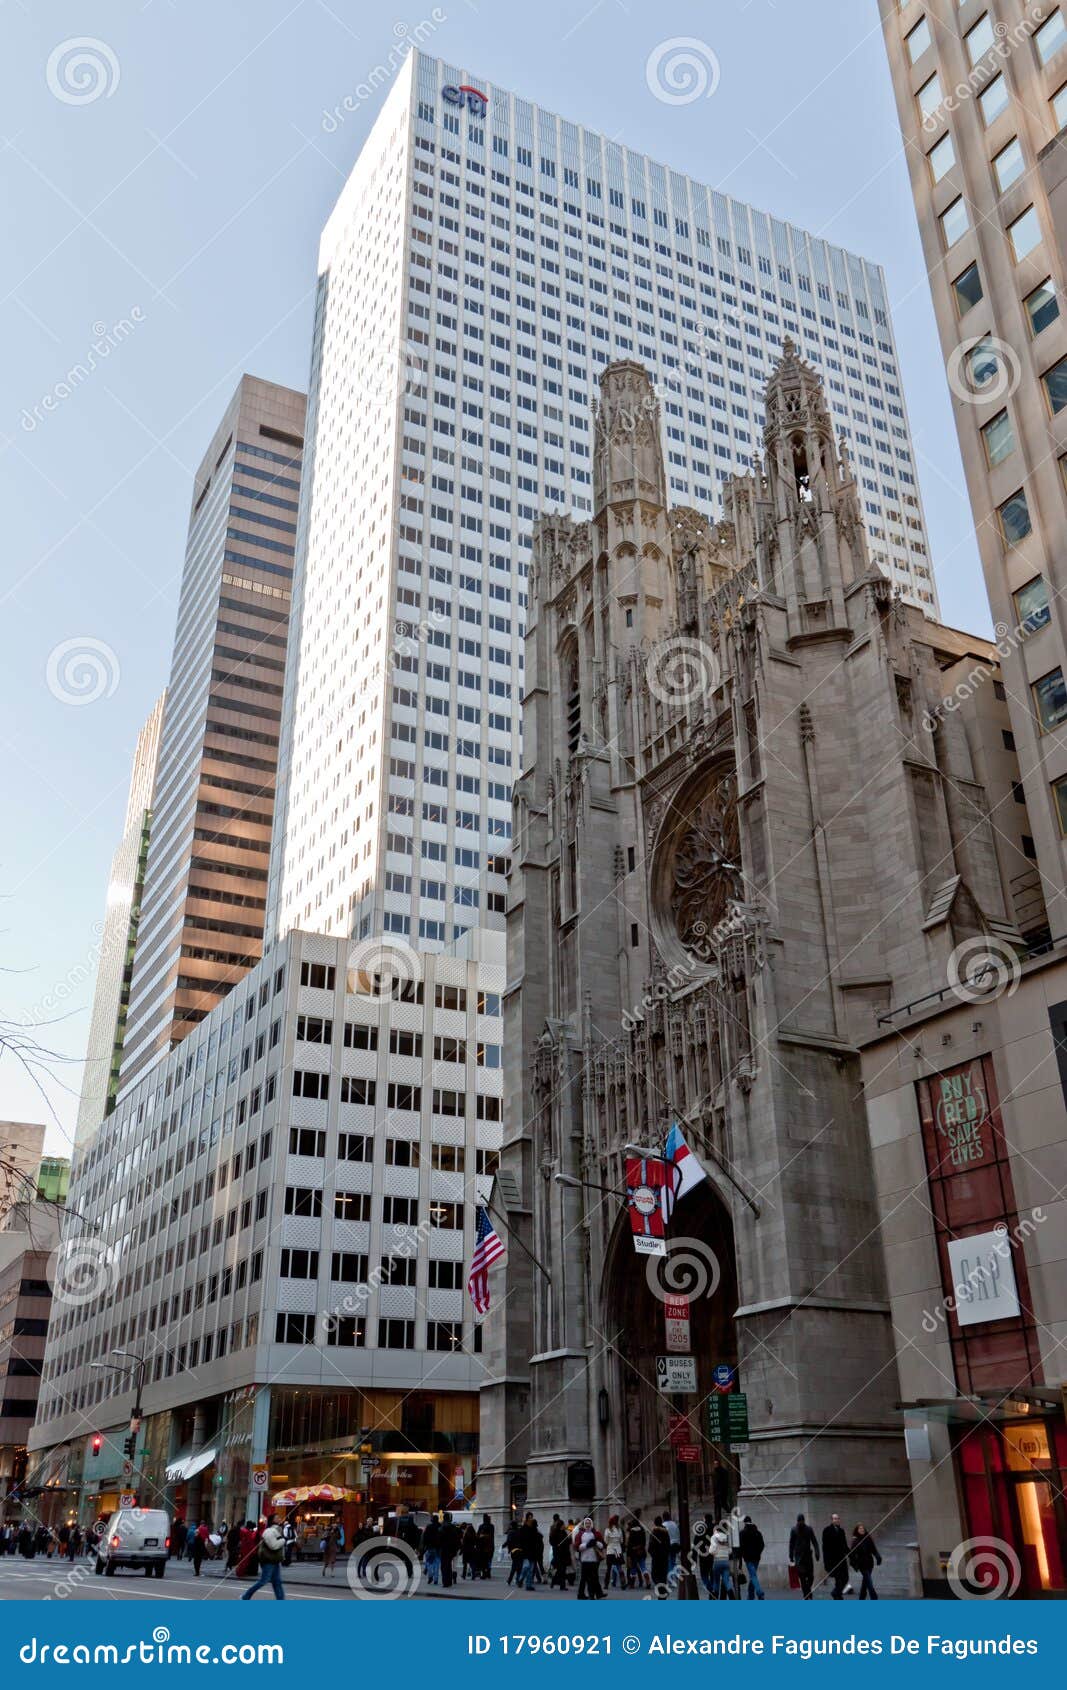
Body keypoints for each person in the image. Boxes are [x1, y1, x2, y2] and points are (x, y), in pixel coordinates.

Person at [241, 1515, 286, 1600]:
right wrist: (283, 1540)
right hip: (268, 1560)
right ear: (272, 1520)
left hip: (275, 1560)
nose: (280, 1519)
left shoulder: (277, 1530)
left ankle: (281, 1599)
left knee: (277, 1582)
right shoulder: (269, 1531)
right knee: (263, 1581)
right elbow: (273, 1546)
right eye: (277, 1518)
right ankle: (246, 1596)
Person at [572, 1517, 605, 1600]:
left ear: (592, 1524)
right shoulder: (580, 1534)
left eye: (589, 1523)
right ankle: (580, 1594)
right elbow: (577, 1547)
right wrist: (586, 1545)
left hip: (594, 1559)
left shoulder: (595, 1534)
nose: (587, 1525)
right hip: (584, 1559)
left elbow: (602, 1545)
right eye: (586, 1523)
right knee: (583, 1578)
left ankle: (592, 1595)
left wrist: (596, 1543)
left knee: (593, 1578)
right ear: (584, 1524)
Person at [789, 1513, 819, 1600]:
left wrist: (817, 1552)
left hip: (808, 1557)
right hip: (798, 1558)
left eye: (802, 1521)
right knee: (802, 1578)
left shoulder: (809, 1529)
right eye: (799, 1521)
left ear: (804, 1521)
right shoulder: (794, 1530)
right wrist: (790, 1556)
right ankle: (806, 1596)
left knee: (811, 1577)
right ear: (797, 1521)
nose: (800, 1523)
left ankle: (808, 1591)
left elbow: (814, 1541)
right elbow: (791, 1544)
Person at [822, 1513, 850, 1600]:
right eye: (834, 1519)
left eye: (837, 1518)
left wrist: (851, 1553)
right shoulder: (826, 1530)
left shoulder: (841, 1531)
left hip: (842, 1559)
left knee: (845, 1578)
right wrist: (826, 1562)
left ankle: (835, 1592)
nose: (836, 1520)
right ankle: (838, 1597)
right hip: (833, 1560)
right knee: (838, 1580)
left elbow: (844, 1545)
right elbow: (825, 1547)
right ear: (831, 1520)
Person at [849, 1525, 882, 1600]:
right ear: (857, 1530)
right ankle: (874, 1598)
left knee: (865, 1582)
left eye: (863, 1528)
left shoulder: (868, 1539)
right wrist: (854, 1565)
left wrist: (878, 1557)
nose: (862, 1530)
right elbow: (852, 1554)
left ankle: (861, 1598)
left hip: (870, 1563)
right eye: (860, 1529)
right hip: (862, 1564)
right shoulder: (855, 1541)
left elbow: (874, 1549)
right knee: (869, 1583)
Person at [704, 1520, 735, 1599]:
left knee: (716, 1581)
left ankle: (715, 1598)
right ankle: (732, 1596)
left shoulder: (714, 1537)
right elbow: (730, 1551)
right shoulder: (727, 1537)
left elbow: (711, 1550)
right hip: (726, 1561)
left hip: (717, 1561)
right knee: (726, 1581)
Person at [738, 1515, 765, 1600]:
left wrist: (741, 1558)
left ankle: (760, 1592)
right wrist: (758, 1553)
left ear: (744, 1523)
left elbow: (741, 1547)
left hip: (748, 1558)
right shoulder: (757, 1532)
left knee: (753, 1576)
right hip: (756, 1558)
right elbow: (762, 1545)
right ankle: (750, 1596)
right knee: (753, 1576)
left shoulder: (742, 1533)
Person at [625, 1513, 650, 1589]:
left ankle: (632, 1584)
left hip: (633, 1553)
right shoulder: (642, 1530)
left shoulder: (632, 1532)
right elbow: (644, 1542)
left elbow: (629, 1545)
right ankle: (648, 1582)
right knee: (643, 1567)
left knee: (633, 1569)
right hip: (641, 1552)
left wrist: (628, 1554)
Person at [518, 1512, 542, 1592]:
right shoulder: (523, 1528)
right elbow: (520, 1540)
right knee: (526, 1566)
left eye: (532, 1517)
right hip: (525, 1551)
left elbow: (536, 1539)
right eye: (530, 1517)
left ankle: (528, 1585)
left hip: (533, 1551)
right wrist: (521, 1548)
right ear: (527, 1518)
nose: (531, 1519)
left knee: (531, 1569)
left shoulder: (534, 1528)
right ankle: (521, 1578)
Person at [548, 1516, 572, 1590]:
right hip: (558, 1554)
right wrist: (556, 1545)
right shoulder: (555, 1533)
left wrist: (570, 1538)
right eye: (563, 1525)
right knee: (561, 1570)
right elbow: (551, 1542)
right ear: (560, 1525)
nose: (564, 1526)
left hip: (564, 1554)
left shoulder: (564, 1532)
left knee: (561, 1570)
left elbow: (568, 1542)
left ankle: (556, 1582)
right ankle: (562, 1585)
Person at [649, 1517, 671, 1593]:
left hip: (656, 1558)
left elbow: (651, 1546)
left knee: (654, 1575)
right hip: (664, 1557)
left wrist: (652, 1554)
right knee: (663, 1575)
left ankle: (661, 1588)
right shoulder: (666, 1532)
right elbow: (668, 1544)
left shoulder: (654, 1532)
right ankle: (663, 1590)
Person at [603, 1516, 624, 1589]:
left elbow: (605, 1541)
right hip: (618, 1550)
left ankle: (606, 1584)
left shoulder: (607, 1530)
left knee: (608, 1569)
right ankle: (623, 1582)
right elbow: (621, 1541)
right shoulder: (619, 1530)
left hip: (610, 1550)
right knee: (619, 1567)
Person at [421, 1516, 441, 1586]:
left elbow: (425, 1537)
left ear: (432, 1520)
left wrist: (424, 1546)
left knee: (429, 1563)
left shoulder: (429, 1527)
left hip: (430, 1547)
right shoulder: (440, 1527)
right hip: (438, 1548)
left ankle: (430, 1575)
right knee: (437, 1564)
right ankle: (436, 1579)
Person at [504, 1519, 523, 1586]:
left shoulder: (511, 1532)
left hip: (514, 1551)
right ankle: (517, 1580)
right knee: (519, 1566)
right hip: (520, 1551)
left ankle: (510, 1580)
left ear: (512, 1525)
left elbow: (508, 1541)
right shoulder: (520, 1531)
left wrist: (503, 1545)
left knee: (514, 1566)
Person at [476, 1515, 495, 1579]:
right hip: (490, 1546)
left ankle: (484, 1573)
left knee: (483, 1561)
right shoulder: (491, 1526)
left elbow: (478, 1536)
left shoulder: (481, 1526)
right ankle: (488, 1572)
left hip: (483, 1547)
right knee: (489, 1560)